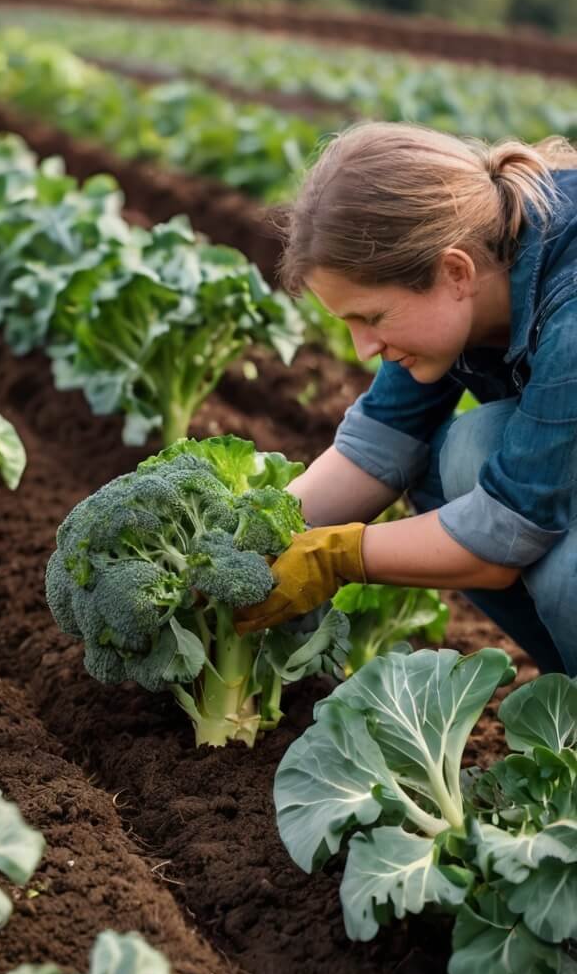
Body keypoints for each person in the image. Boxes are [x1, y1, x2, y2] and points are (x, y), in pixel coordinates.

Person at [235, 121, 577, 676]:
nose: (364, 348)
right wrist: (248, 542)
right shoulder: (473, 260)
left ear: (454, 271)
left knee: (566, 567)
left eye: (371, 317)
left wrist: (338, 557)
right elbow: (379, 446)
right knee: (457, 455)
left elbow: (508, 529)